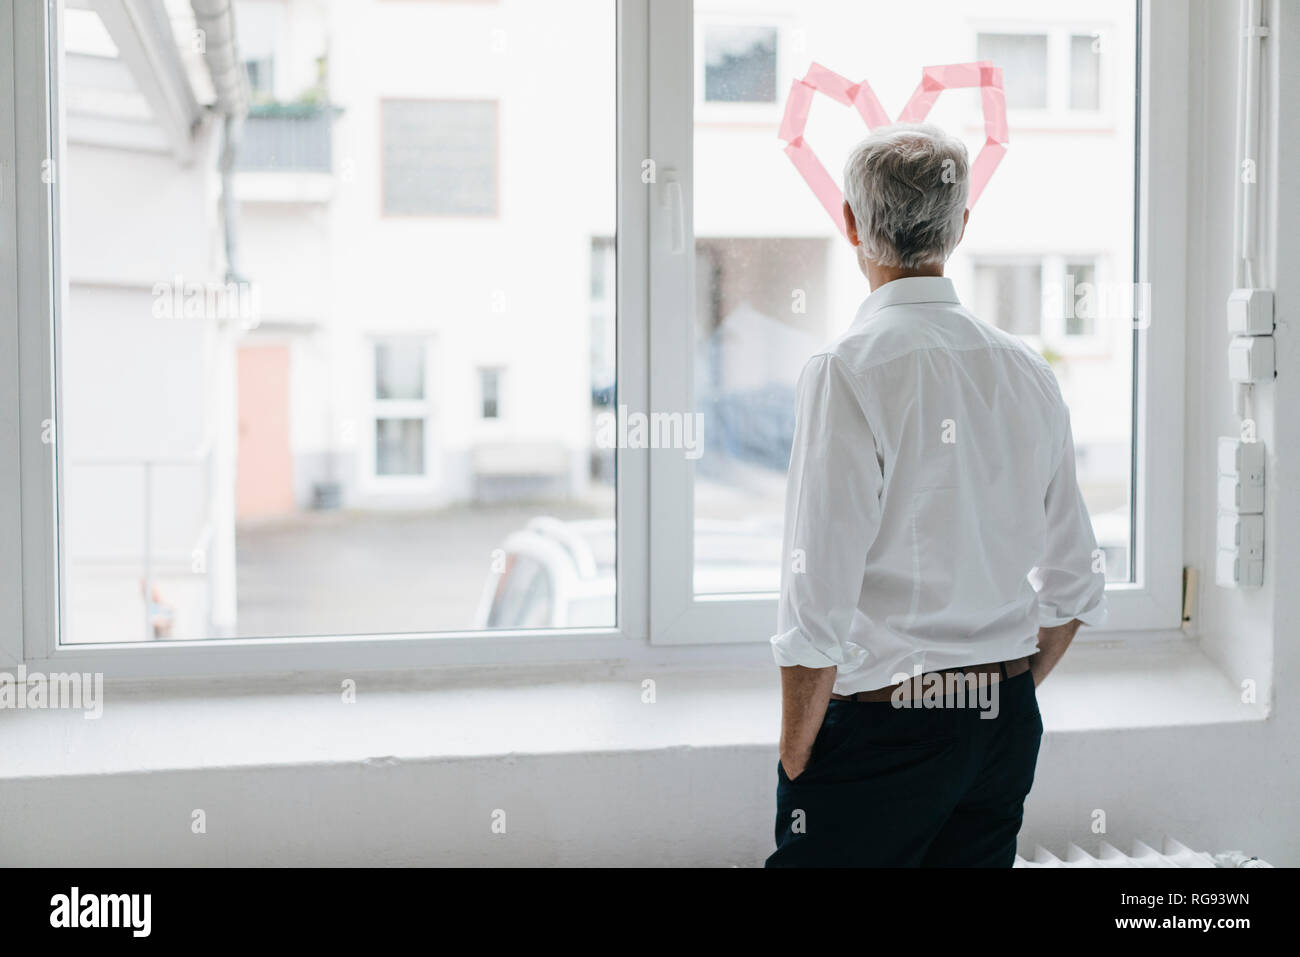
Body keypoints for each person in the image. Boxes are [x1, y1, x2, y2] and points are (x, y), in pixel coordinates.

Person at [766, 123, 1107, 868]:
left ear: (851, 222)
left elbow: (815, 597)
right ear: (961, 225)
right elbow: (1076, 583)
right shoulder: (1028, 371)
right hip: (1001, 726)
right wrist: (995, 692)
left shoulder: (847, 370)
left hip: (885, 728)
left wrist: (795, 757)